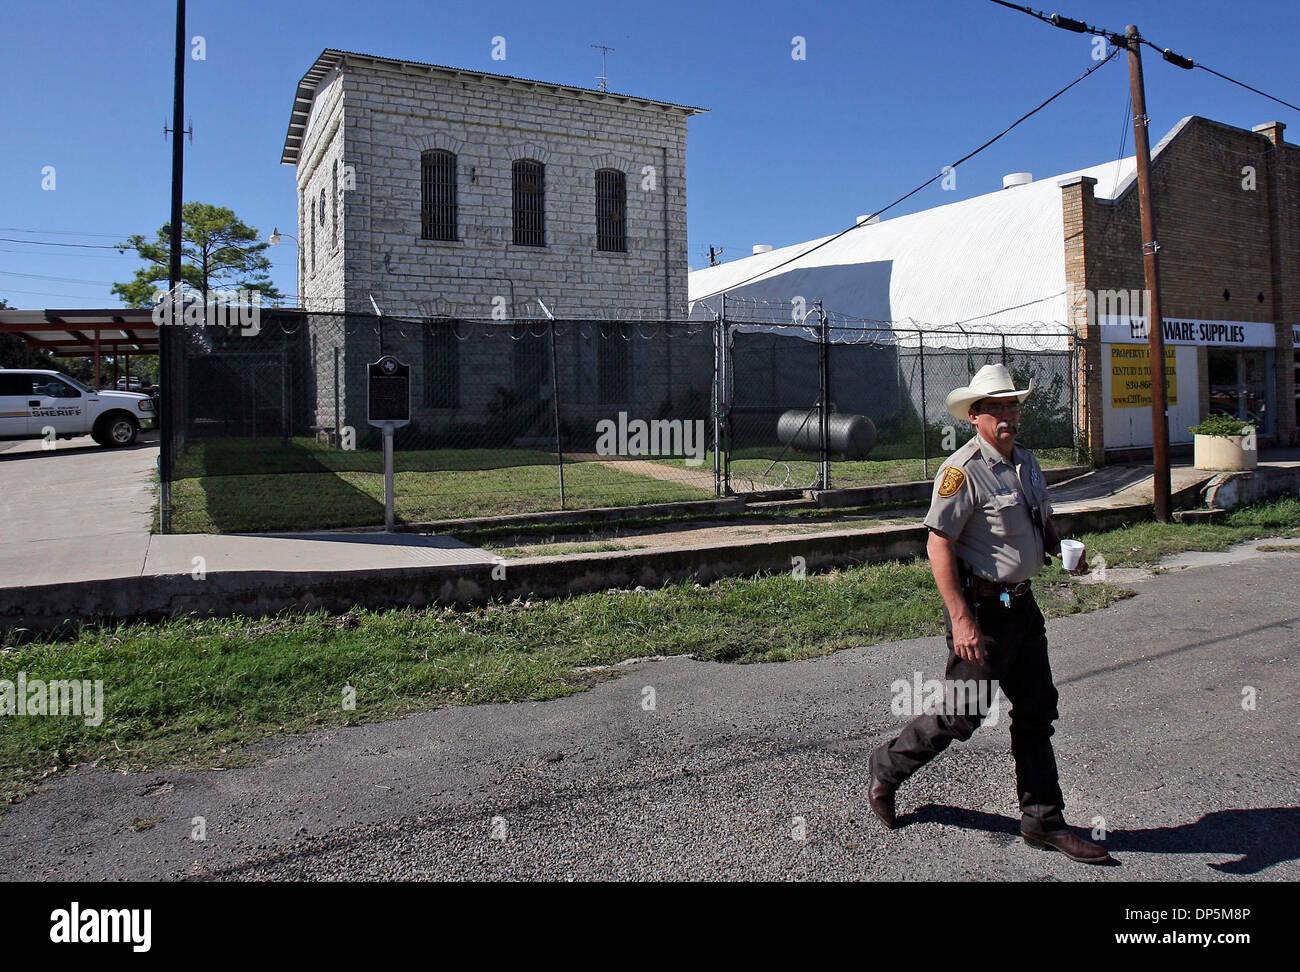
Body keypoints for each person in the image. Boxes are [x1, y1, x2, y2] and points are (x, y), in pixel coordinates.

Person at [867, 363, 1110, 864]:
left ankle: (1043, 821)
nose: (1006, 415)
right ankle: (887, 767)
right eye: (994, 408)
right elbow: (938, 545)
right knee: (962, 715)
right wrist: (961, 620)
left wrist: (1065, 550)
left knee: (1037, 711)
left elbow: (1036, 524)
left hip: (1023, 607)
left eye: (1012, 405)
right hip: (983, 614)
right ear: (973, 417)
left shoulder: (1028, 463)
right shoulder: (962, 470)